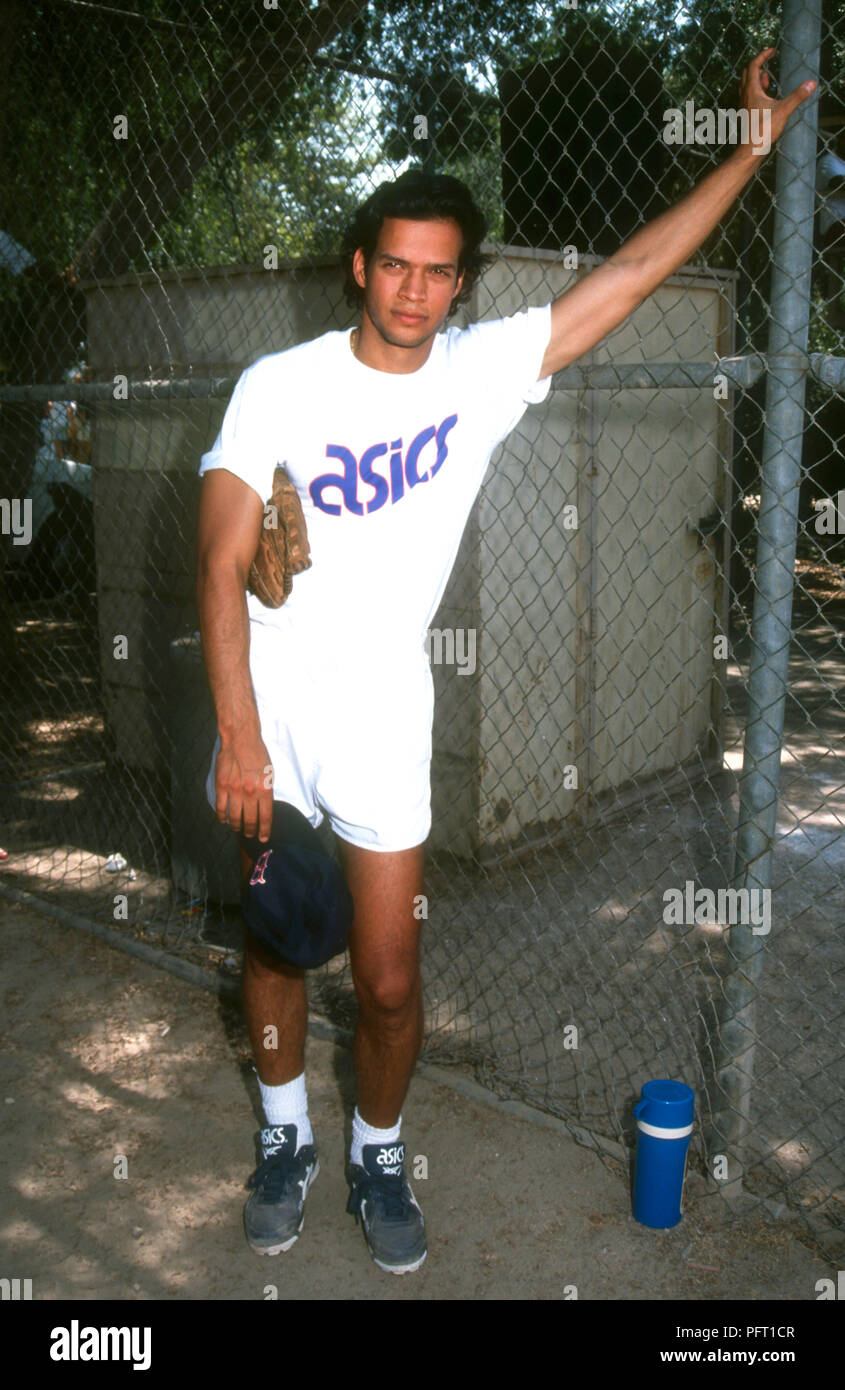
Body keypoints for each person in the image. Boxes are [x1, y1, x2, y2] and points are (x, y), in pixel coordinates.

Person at [195, 50, 814, 1274]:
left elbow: (633, 275)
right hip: (269, 705)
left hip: (380, 709)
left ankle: (377, 1147)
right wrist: (242, 738)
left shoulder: (479, 375)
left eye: (439, 272)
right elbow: (218, 566)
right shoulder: (278, 386)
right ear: (359, 266)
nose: (415, 292)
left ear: (456, 280)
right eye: (395, 266)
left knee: (383, 976)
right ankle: (282, 1137)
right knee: (273, 938)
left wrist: (748, 149)